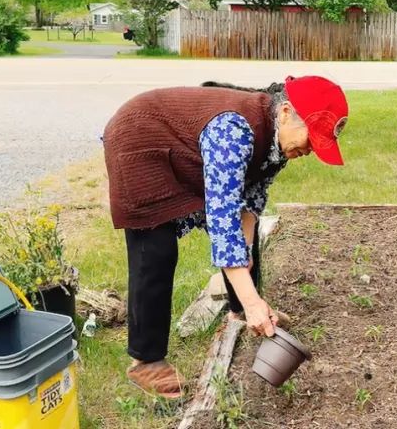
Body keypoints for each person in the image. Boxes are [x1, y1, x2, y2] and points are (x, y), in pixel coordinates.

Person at [103, 76, 349, 398]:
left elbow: (248, 204)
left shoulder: (278, 139)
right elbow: (222, 221)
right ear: (286, 112)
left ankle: (242, 311)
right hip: (139, 139)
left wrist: (246, 262)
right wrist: (253, 298)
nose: (311, 150)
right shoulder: (234, 131)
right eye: (311, 139)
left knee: (243, 243)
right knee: (156, 249)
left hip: (177, 146)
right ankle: (146, 362)